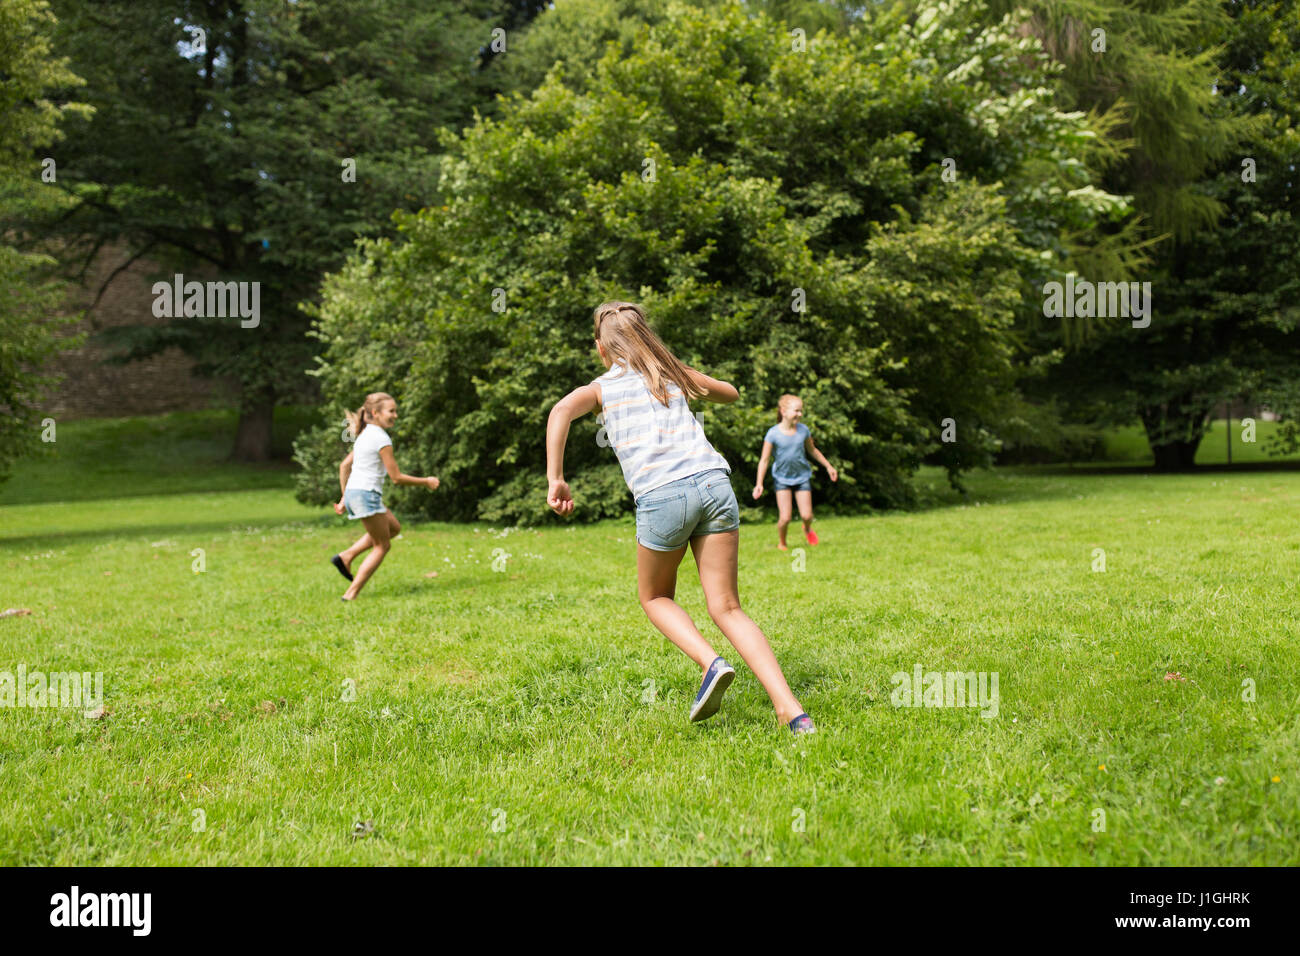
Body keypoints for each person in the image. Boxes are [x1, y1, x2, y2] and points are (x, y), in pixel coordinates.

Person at [545, 302, 815, 734]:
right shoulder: (671, 373)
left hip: (661, 496)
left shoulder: (601, 388)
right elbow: (730, 392)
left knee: (654, 598)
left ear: (600, 348)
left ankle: (712, 664)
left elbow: (559, 411)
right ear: (645, 337)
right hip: (714, 485)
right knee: (727, 606)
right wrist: (680, 371)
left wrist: (556, 478)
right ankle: (792, 710)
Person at [331, 392, 439, 601]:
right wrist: (426, 481)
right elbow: (396, 477)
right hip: (366, 495)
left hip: (356, 492)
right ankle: (350, 594)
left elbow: (345, 466)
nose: (396, 415)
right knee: (382, 545)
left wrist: (346, 496)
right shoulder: (381, 438)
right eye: (391, 411)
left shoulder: (364, 434)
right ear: (375, 413)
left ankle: (346, 556)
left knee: (394, 528)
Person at [752, 394, 838, 550]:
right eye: (796, 411)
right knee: (785, 518)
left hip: (802, 477)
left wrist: (828, 466)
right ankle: (782, 543)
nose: (800, 414)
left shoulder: (803, 431)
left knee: (807, 515)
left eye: (801, 411)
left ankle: (807, 528)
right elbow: (764, 460)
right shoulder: (773, 433)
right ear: (783, 411)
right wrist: (759, 483)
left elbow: (813, 450)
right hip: (782, 478)